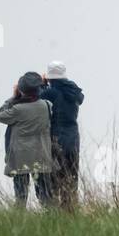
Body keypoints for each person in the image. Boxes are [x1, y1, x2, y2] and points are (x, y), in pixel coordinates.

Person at [0, 71, 54, 209]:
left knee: (21, 196)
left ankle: (19, 220)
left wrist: (13, 97)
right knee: (45, 196)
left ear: (22, 90)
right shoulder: (46, 106)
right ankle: (51, 219)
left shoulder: (17, 109)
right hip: (41, 155)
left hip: (20, 157)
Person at [39, 60, 84, 211]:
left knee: (55, 177)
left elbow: (37, 99)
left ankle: (55, 210)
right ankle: (70, 208)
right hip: (74, 137)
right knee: (72, 174)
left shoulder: (51, 92)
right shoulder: (74, 91)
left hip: (57, 137)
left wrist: (42, 85)